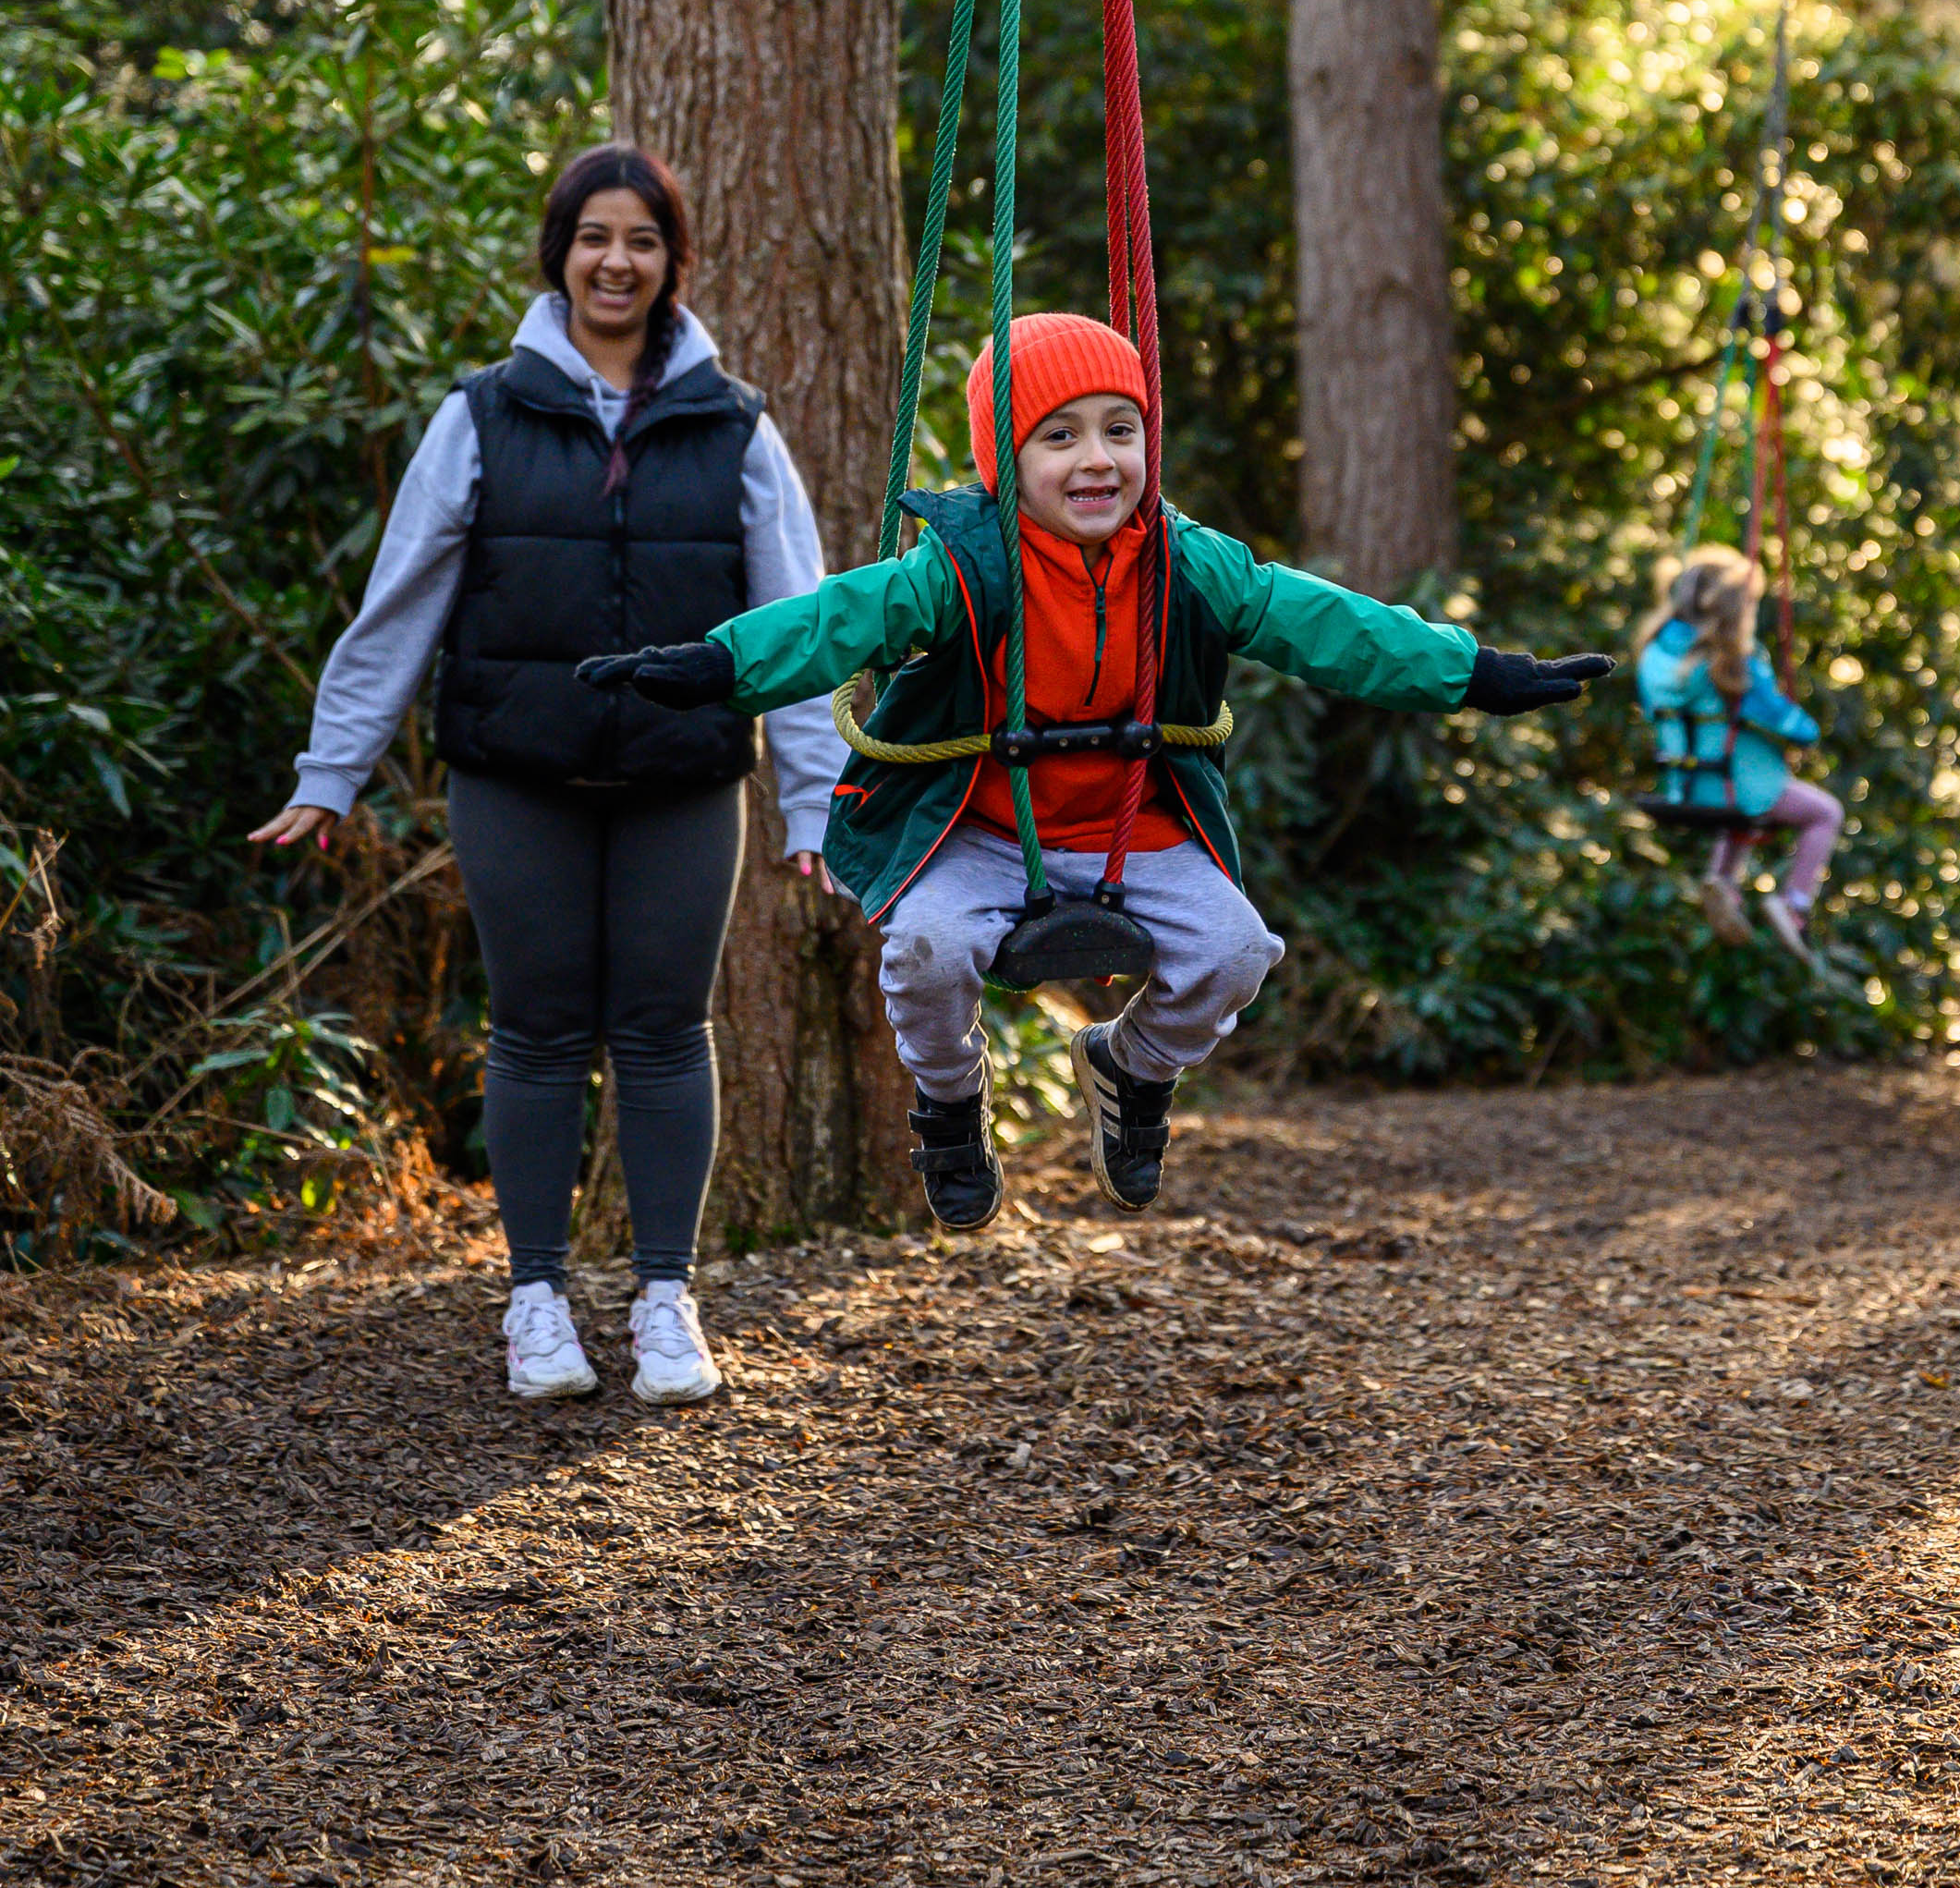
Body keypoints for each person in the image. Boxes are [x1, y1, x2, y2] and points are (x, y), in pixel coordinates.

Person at [579, 310, 1613, 1231]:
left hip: (1134, 826)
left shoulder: (1184, 558)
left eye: (1121, 430)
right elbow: (843, 617)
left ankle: (1130, 1064)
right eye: (1059, 435)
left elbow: (1327, 624)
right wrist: (718, 663)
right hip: (981, 827)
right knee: (930, 949)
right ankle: (948, 1099)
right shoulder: (966, 564)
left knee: (1236, 950)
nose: (1097, 460)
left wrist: (1477, 672)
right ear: (1004, 459)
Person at [250, 145, 846, 1400]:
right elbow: (400, 598)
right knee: (532, 1030)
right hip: (515, 769)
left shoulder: (736, 424)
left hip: (683, 778)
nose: (615, 261)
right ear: (559, 253)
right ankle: (535, 1301)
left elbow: (797, 623)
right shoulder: (482, 411)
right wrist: (332, 768)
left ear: (674, 260)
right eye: (593, 237)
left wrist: (816, 796)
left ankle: (668, 1302)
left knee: (666, 1030)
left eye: (641, 239)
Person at [1636, 544, 1844, 972]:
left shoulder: (1652, 656)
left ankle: (1724, 883)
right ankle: (1795, 904)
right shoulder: (1733, 662)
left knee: (1736, 816)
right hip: (1745, 788)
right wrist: (1804, 726)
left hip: (1687, 788)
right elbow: (1795, 728)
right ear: (1735, 610)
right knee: (1824, 813)